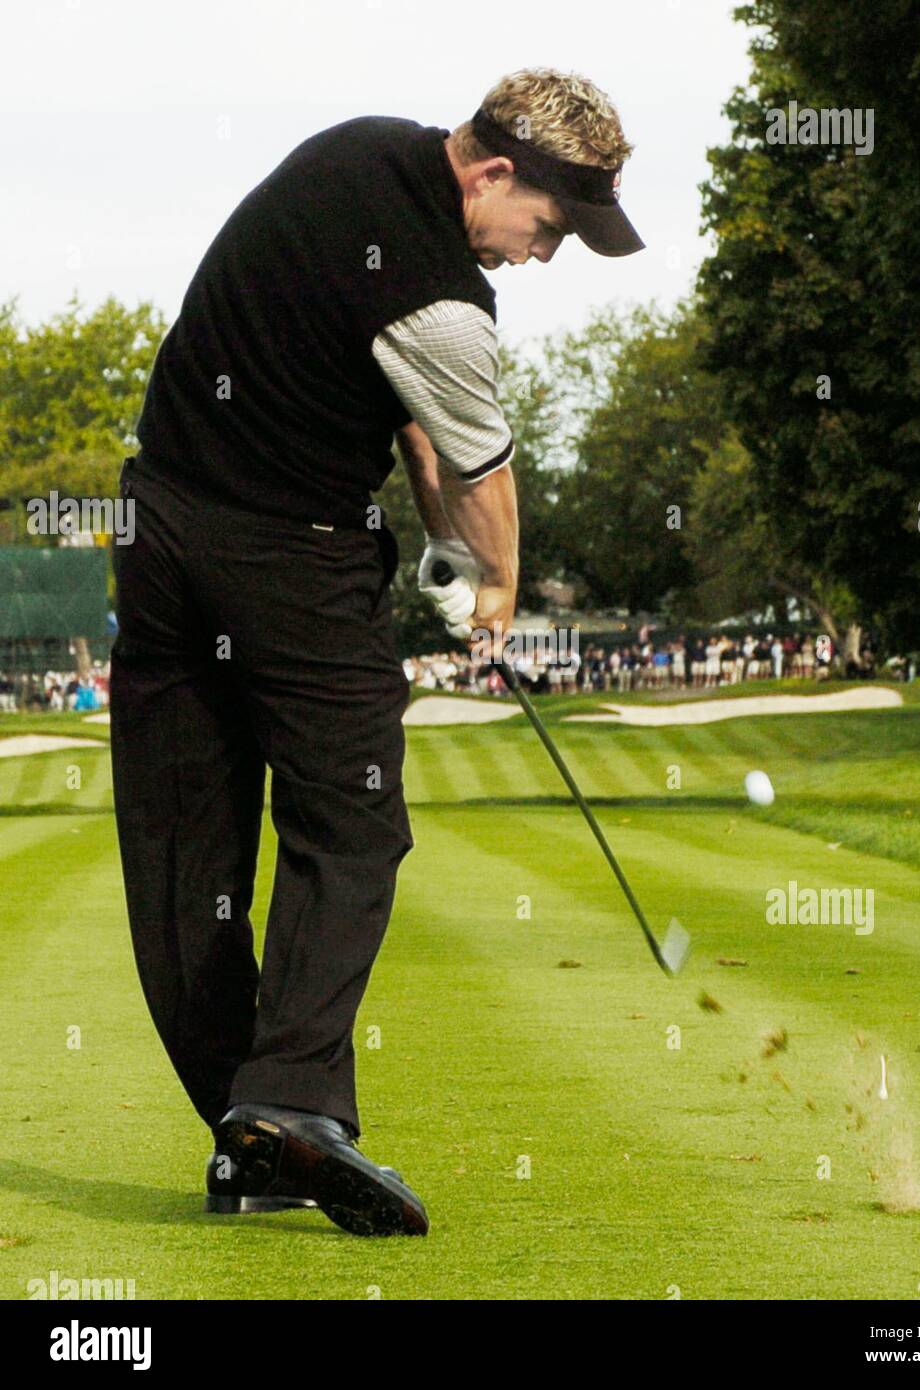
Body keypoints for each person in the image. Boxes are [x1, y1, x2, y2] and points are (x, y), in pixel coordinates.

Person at [109, 68, 643, 1237]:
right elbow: (485, 478)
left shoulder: (352, 153)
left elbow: (405, 415)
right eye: (547, 228)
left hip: (156, 532)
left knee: (182, 852)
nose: (539, 257)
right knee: (351, 819)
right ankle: (292, 1098)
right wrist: (493, 590)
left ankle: (247, 1133)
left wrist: (437, 544)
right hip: (290, 557)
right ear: (494, 172)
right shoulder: (447, 302)